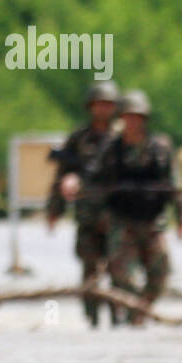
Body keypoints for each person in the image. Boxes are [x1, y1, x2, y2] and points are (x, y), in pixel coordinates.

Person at [91, 90, 182, 324]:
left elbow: (175, 184)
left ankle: (139, 310)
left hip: (152, 220)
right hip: (121, 221)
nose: (133, 122)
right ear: (121, 118)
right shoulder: (111, 150)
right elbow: (94, 182)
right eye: (128, 116)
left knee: (160, 272)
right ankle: (132, 310)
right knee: (123, 274)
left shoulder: (160, 149)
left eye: (138, 117)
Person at [46, 80, 119, 327]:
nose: (102, 110)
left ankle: (120, 314)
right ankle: (92, 316)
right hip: (87, 214)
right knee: (90, 266)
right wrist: (54, 209)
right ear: (90, 107)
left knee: (118, 267)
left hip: (116, 214)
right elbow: (62, 175)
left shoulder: (122, 137)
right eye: (98, 104)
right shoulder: (79, 138)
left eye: (107, 105)